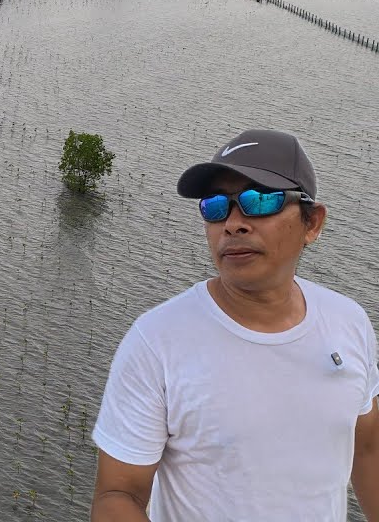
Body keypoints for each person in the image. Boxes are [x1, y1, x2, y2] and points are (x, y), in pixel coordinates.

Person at [91, 129, 379, 521]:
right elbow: (117, 494)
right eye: (215, 207)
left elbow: (367, 448)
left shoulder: (349, 322)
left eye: (258, 200)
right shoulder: (156, 341)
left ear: (312, 222)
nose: (233, 224)